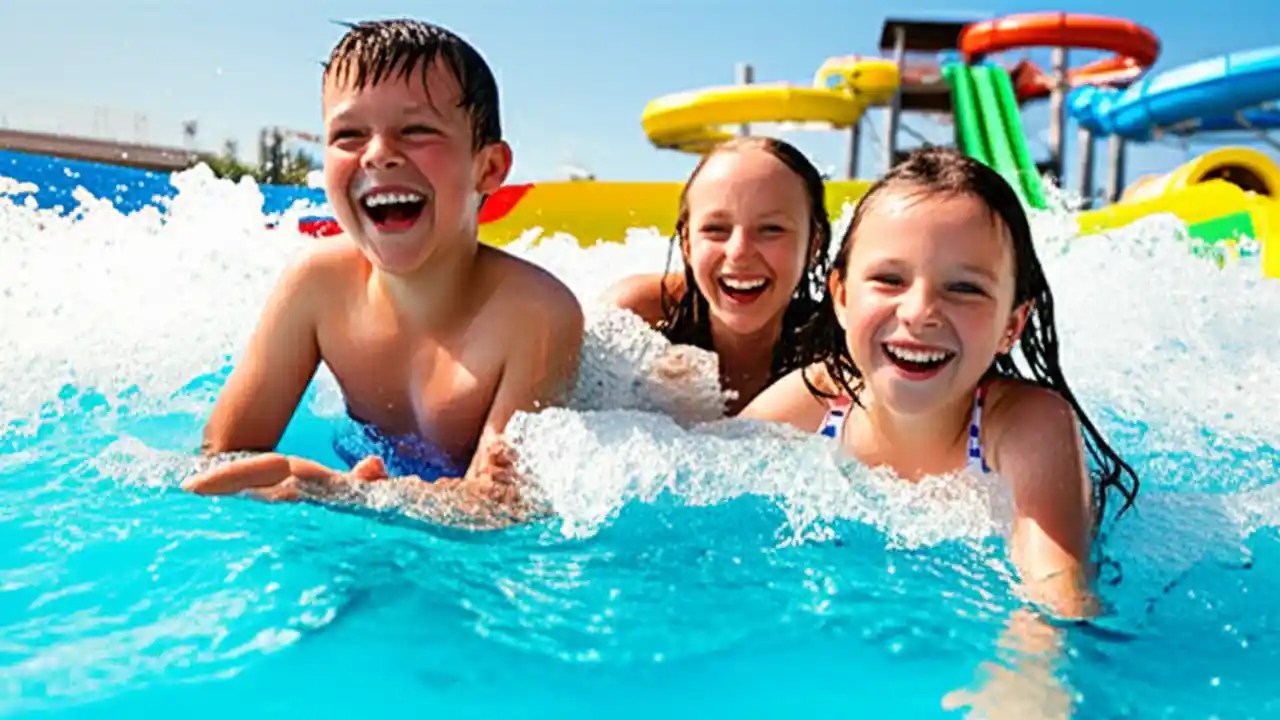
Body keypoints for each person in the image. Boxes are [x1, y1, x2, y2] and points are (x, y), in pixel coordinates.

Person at [740, 147, 1140, 716]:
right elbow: (685, 475)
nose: (921, 311)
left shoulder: (1026, 424)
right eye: (889, 278)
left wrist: (1025, 682)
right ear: (842, 296)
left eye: (964, 288)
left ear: (1012, 324)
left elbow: (1056, 592)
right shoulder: (816, 400)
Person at [181, 18, 583, 523]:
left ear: (490, 168)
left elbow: (501, 512)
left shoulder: (534, 313)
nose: (378, 155)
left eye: (416, 130)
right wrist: (287, 486)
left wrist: (344, 494)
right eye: (348, 134)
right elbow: (219, 463)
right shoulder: (318, 286)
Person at [602, 136, 834, 415]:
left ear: (814, 244)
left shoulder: (839, 351)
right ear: (687, 244)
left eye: (771, 229)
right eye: (715, 229)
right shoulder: (637, 318)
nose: (739, 252)